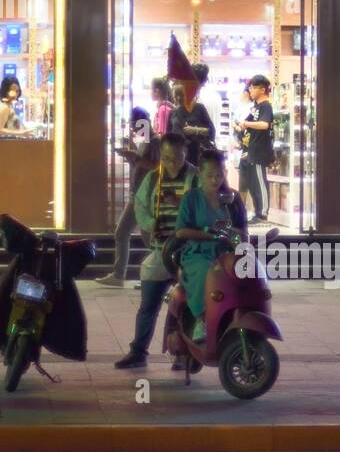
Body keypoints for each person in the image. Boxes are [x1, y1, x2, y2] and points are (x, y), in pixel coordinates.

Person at [114, 131, 200, 370]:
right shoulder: (153, 178)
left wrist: (181, 206)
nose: (171, 163)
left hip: (191, 253)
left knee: (186, 304)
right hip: (162, 250)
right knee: (148, 304)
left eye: (176, 158)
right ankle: (138, 350)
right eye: (166, 158)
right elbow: (140, 206)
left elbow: (205, 210)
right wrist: (150, 223)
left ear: (185, 154)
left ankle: (184, 353)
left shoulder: (196, 179)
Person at [174, 148, 248, 342]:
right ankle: (202, 319)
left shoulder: (233, 199)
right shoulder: (191, 198)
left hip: (226, 253)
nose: (215, 180)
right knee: (207, 272)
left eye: (220, 174)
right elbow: (181, 231)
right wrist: (209, 234)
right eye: (210, 176)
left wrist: (236, 236)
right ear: (200, 174)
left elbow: (243, 231)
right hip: (198, 253)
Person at [97, 106, 159, 288]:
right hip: (139, 195)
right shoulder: (147, 141)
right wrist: (133, 157)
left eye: (135, 125)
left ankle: (146, 275)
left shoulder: (154, 141)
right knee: (129, 234)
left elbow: (156, 166)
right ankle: (125, 274)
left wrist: (134, 157)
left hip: (144, 196)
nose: (133, 129)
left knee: (139, 236)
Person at [235, 74, 275, 224]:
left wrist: (247, 124)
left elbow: (265, 124)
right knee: (252, 183)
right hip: (250, 150)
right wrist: (241, 126)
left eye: (253, 87)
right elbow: (246, 125)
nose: (250, 90)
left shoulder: (266, 106)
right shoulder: (256, 107)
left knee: (260, 182)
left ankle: (263, 213)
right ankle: (257, 212)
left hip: (259, 151)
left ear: (262, 89)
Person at [170, 62, 214, 167]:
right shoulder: (209, 97)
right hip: (182, 157)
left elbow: (211, 131)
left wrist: (195, 130)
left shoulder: (201, 102)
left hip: (197, 155)